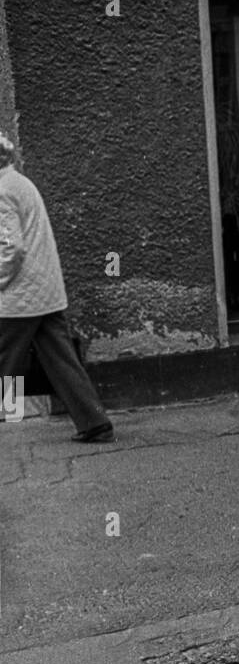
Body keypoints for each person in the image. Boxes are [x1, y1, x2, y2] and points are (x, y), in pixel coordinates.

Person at [0, 133, 114, 442]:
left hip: (19, 296)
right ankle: (94, 421)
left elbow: (12, 249)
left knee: (5, 356)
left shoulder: (1, 190)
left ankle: (9, 411)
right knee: (61, 359)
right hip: (45, 292)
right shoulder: (20, 182)